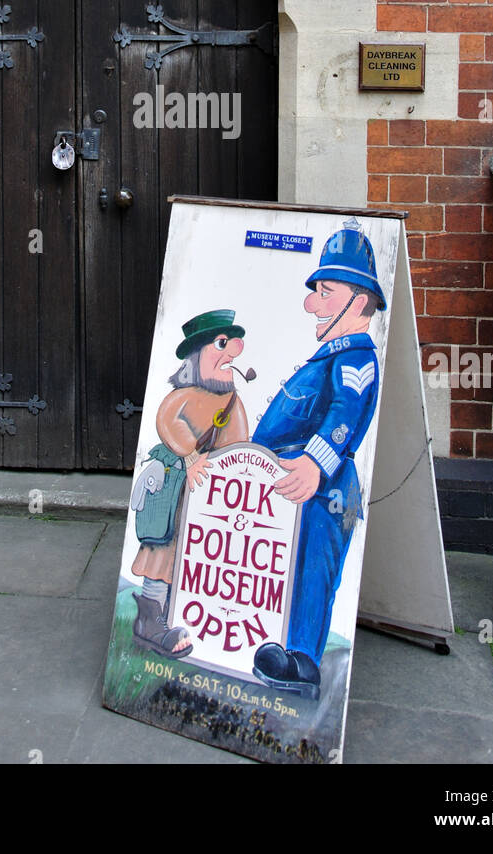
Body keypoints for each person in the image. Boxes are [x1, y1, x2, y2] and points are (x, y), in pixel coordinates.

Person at [250, 224, 386, 701]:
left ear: (360, 302)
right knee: (284, 566)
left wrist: (315, 463)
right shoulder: (326, 355)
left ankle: (303, 663)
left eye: (326, 293)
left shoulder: (356, 357)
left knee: (312, 571)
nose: (312, 303)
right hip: (296, 483)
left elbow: (345, 414)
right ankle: (289, 653)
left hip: (327, 489)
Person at [130, 309, 249, 658]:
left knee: (197, 549)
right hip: (173, 486)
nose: (232, 355)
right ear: (197, 355)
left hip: (208, 490)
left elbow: (238, 442)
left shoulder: (231, 400)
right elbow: (168, 421)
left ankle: (181, 616)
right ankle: (150, 619)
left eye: (233, 345)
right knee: (162, 547)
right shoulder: (184, 395)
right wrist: (191, 457)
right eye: (222, 345)